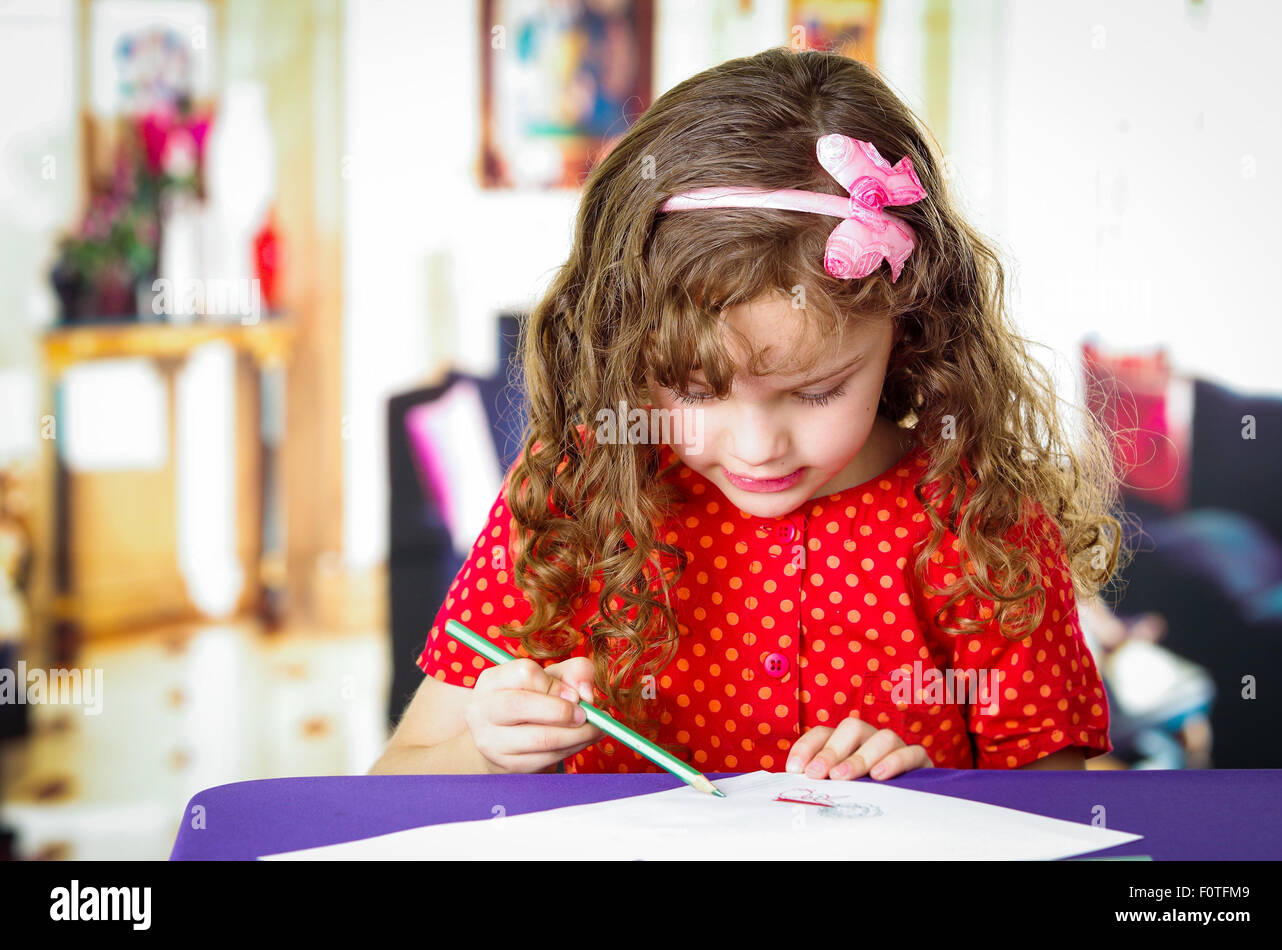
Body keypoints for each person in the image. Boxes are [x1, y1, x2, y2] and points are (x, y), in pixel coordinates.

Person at [370, 47, 1127, 780]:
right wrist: (485, 747)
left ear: (910, 329)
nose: (758, 447)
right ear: (626, 351)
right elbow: (393, 780)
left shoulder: (981, 521)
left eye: (817, 390)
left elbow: (1060, 811)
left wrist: (932, 796)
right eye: (695, 392)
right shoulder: (575, 499)